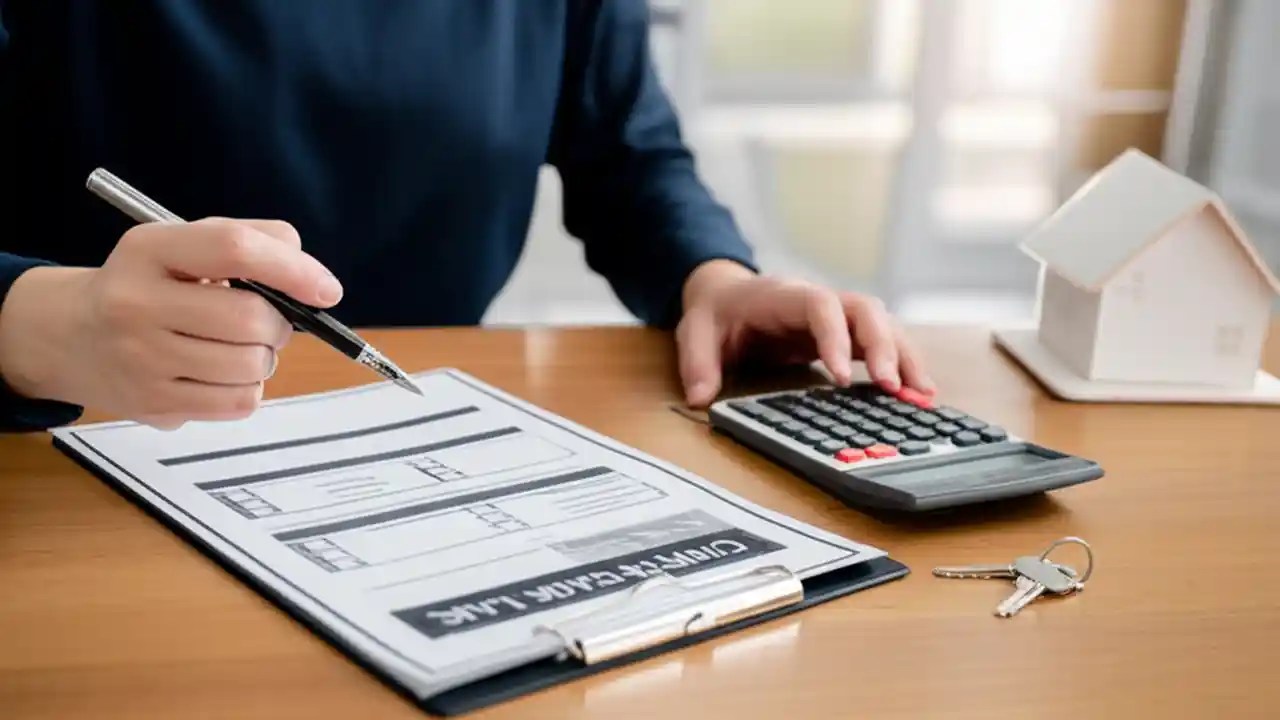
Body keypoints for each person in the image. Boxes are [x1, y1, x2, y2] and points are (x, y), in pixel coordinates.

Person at [0, 1, 932, 432]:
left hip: (412, 426)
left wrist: (716, 278)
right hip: (79, 436)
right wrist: (38, 324)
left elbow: (629, 155)